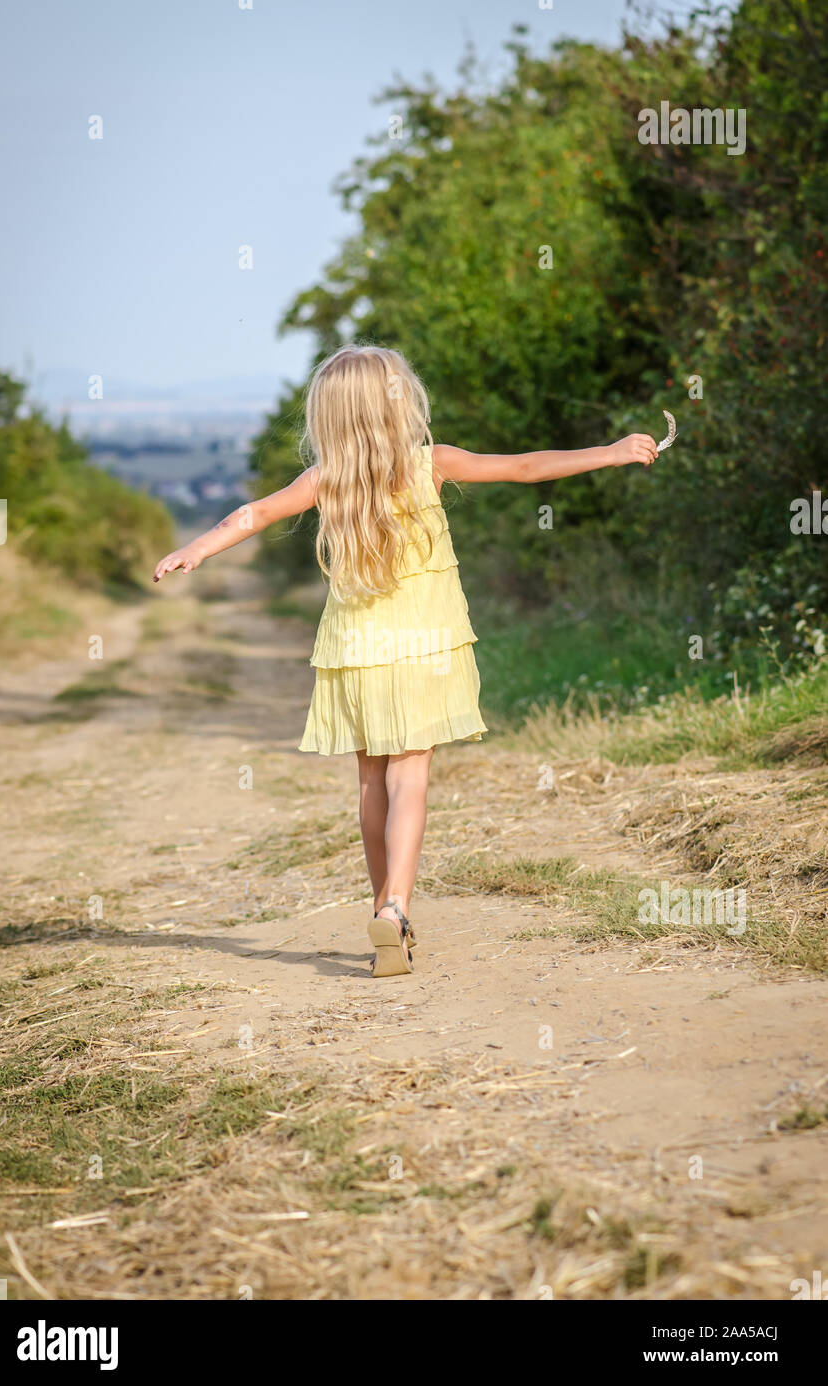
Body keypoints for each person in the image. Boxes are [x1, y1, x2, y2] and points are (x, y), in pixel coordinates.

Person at [153, 345, 657, 977]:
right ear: (401, 402)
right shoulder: (431, 464)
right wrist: (611, 451)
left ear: (329, 417)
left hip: (358, 651)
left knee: (371, 782)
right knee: (409, 778)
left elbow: (253, 513)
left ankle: (383, 913)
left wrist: (197, 548)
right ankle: (395, 908)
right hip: (426, 646)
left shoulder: (325, 478)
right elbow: (527, 467)